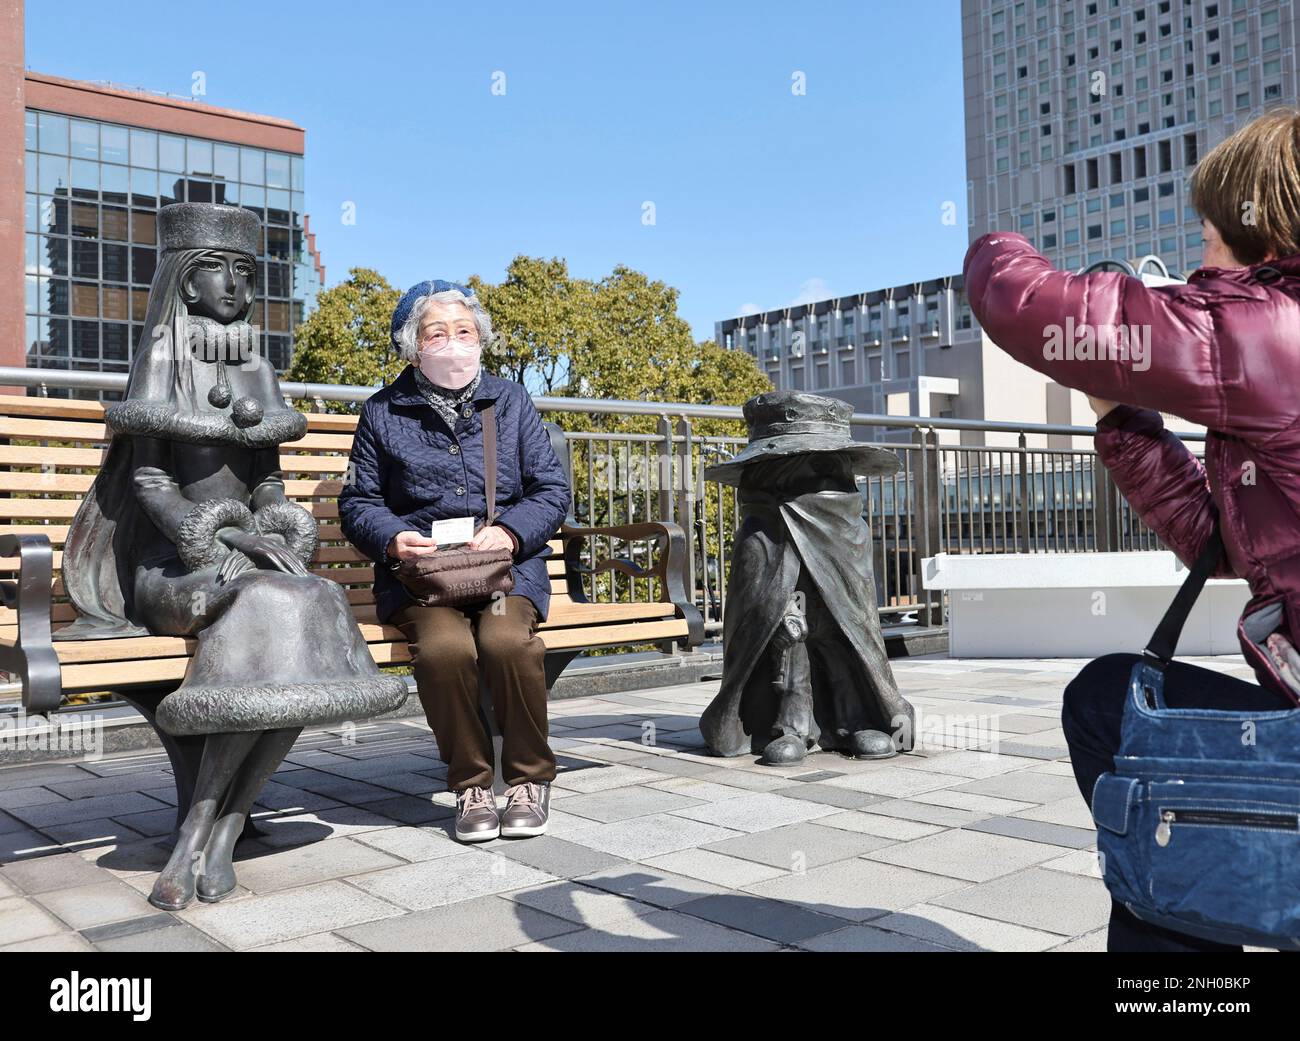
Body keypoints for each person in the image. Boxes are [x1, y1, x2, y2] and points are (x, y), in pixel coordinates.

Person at [962, 108, 1300, 951]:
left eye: (1211, 239)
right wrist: (1120, 412)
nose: (1200, 262)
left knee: (1139, 760)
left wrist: (992, 238)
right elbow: (1213, 539)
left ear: (1262, 233)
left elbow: (1023, 308)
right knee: (1115, 712)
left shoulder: (1271, 327)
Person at [339, 280, 570, 842]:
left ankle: (528, 780)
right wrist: (393, 537)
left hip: (501, 572)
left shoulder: (509, 400)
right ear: (411, 346)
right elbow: (359, 501)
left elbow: (551, 489)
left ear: (481, 339)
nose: (453, 343)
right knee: (444, 649)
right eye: (436, 332)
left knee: (504, 641)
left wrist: (511, 533)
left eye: (463, 331)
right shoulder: (382, 411)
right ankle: (470, 784)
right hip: (424, 579)